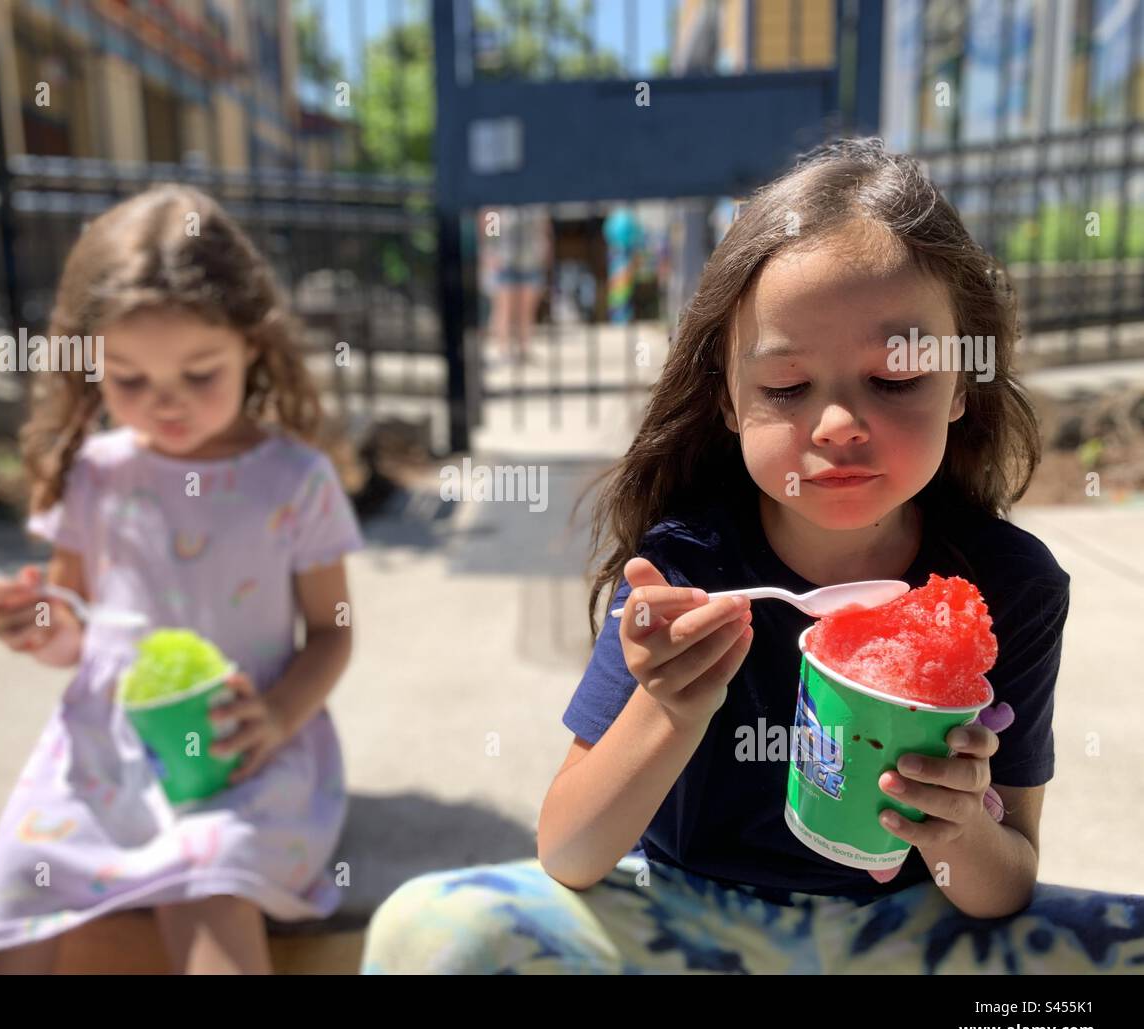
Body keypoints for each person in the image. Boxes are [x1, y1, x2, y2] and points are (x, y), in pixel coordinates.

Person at [359, 138, 1144, 974]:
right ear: (729, 402)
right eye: (785, 388)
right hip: (687, 923)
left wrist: (961, 830)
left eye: (893, 378)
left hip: (902, 934)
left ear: (959, 385)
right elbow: (571, 851)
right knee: (433, 929)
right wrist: (668, 708)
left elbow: (1006, 886)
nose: (839, 423)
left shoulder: (1010, 589)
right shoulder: (683, 571)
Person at [0, 184, 365, 974]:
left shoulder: (293, 479)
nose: (164, 404)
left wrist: (279, 715)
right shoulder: (95, 473)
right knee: (8, 895)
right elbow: (73, 625)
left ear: (253, 342)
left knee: (208, 886)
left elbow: (335, 629)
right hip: (106, 750)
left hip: (240, 745)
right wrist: (43, 625)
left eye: (199, 372)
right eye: (129, 381)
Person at [485, 203, 552, 364]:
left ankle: (524, 348)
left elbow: (544, 229)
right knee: (504, 307)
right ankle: (503, 349)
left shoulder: (537, 203)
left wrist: (546, 253)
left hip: (531, 260)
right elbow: (490, 223)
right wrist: (491, 253)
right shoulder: (498, 201)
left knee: (527, 309)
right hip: (504, 260)